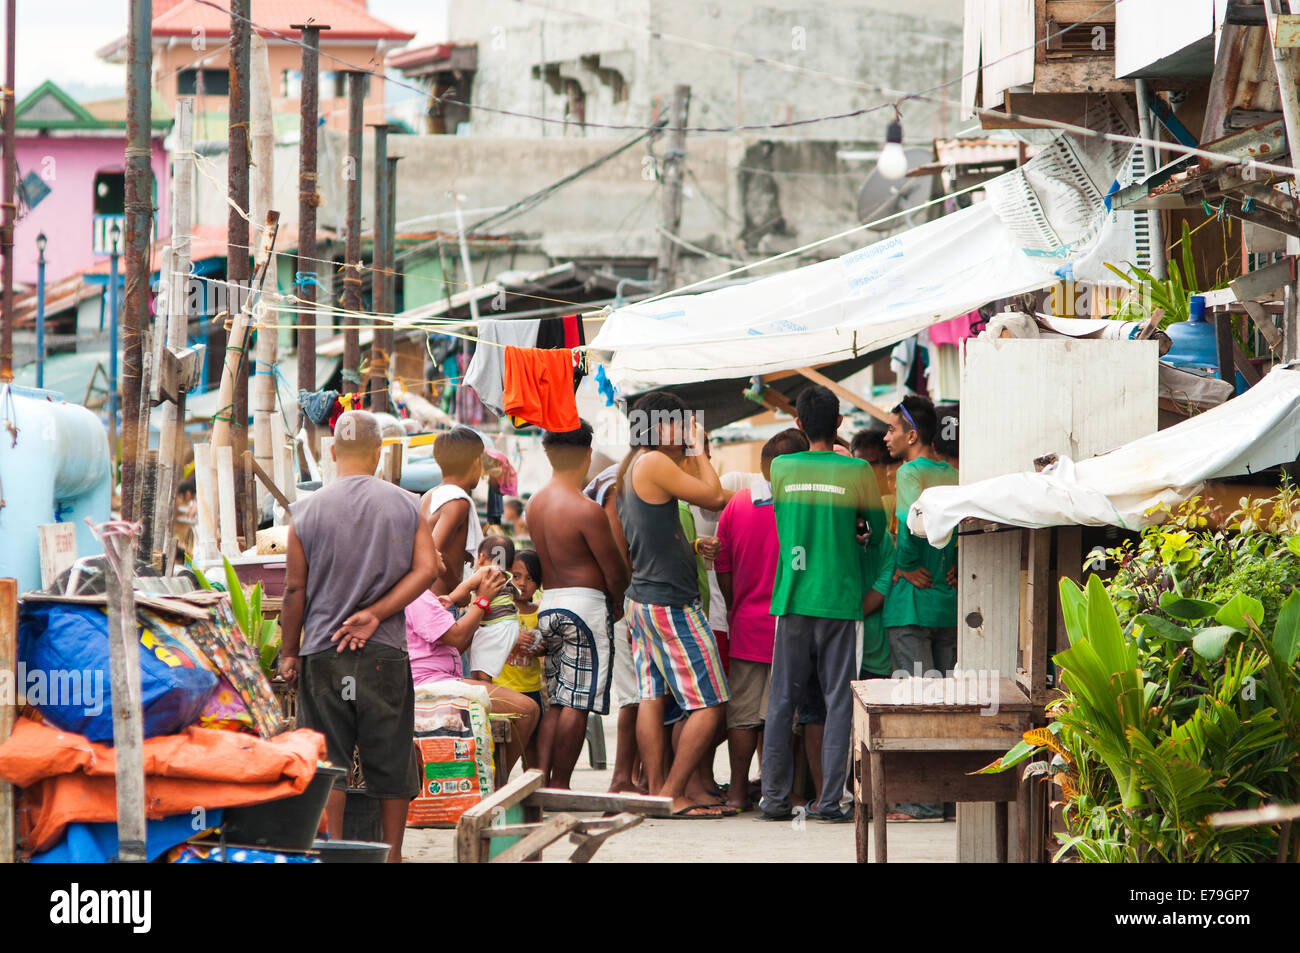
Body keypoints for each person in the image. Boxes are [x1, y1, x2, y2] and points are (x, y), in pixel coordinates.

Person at [279, 410, 440, 863]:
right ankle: (392, 857)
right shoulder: (408, 503)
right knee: (390, 758)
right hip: (382, 654)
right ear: (378, 453)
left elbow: (294, 589)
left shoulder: (305, 510)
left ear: (332, 453)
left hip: (323, 654)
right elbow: (427, 570)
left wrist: (289, 652)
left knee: (328, 760)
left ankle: (330, 851)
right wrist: (376, 613)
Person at [761, 385, 886, 824]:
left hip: (792, 600)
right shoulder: (857, 472)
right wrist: (856, 528)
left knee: (781, 702)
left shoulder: (780, 466)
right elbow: (877, 527)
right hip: (841, 602)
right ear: (838, 424)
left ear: (797, 424)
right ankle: (830, 802)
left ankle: (774, 800)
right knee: (838, 703)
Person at [617, 391, 734, 818]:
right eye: (678, 422)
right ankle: (672, 792)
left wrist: (687, 545)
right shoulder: (654, 462)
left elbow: (648, 533)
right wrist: (701, 451)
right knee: (710, 703)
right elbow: (714, 497)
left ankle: (658, 791)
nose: (685, 430)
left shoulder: (633, 465)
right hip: (670, 602)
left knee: (652, 696)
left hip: (644, 599)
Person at [527, 421, 629, 789]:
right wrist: (617, 600)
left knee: (557, 699)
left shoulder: (534, 504)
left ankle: (542, 781)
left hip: (550, 604)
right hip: (584, 606)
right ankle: (561, 784)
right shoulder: (585, 509)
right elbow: (614, 570)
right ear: (587, 454)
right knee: (578, 701)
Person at [715, 427, 809, 813]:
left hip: (747, 625)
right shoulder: (804, 509)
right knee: (784, 716)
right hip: (790, 627)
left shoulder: (736, 505)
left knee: (742, 717)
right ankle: (783, 792)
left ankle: (738, 792)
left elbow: (722, 566)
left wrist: (739, 604)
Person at [882, 395, 959, 821]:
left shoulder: (910, 473)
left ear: (912, 436)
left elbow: (914, 520)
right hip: (947, 605)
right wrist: (957, 565)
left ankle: (922, 803)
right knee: (948, 702)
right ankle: (946, 797)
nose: (886, 436)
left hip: (912, 604)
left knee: (916, 702)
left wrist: (907, 564)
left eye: (892, 430)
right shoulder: (954, 472)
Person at [406, 557, 540, 778]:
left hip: (441, 679)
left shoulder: (420, 594)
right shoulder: (419, 596)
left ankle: (492, 778)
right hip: (431, 684)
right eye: (432, 550)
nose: (439, 553)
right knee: (527, 711)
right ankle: (497, 782)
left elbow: (456, 644)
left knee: (528, 709)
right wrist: (482, 601)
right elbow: (457, 638)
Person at [583, 461, 644, 794]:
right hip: (624, 601)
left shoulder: (610, 480)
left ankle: (634, 776)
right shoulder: (618, 485)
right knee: (634, 696)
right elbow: (619, 549)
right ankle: (623, 777)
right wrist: (623, 600)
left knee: (637, 694)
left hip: (621, 600)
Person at [421, 427, 486, 595]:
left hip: (421, 598)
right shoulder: (457, 502)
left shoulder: (429, 495)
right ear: (476, 462)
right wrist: (459, 589)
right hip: (441, 602)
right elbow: (435, 552)